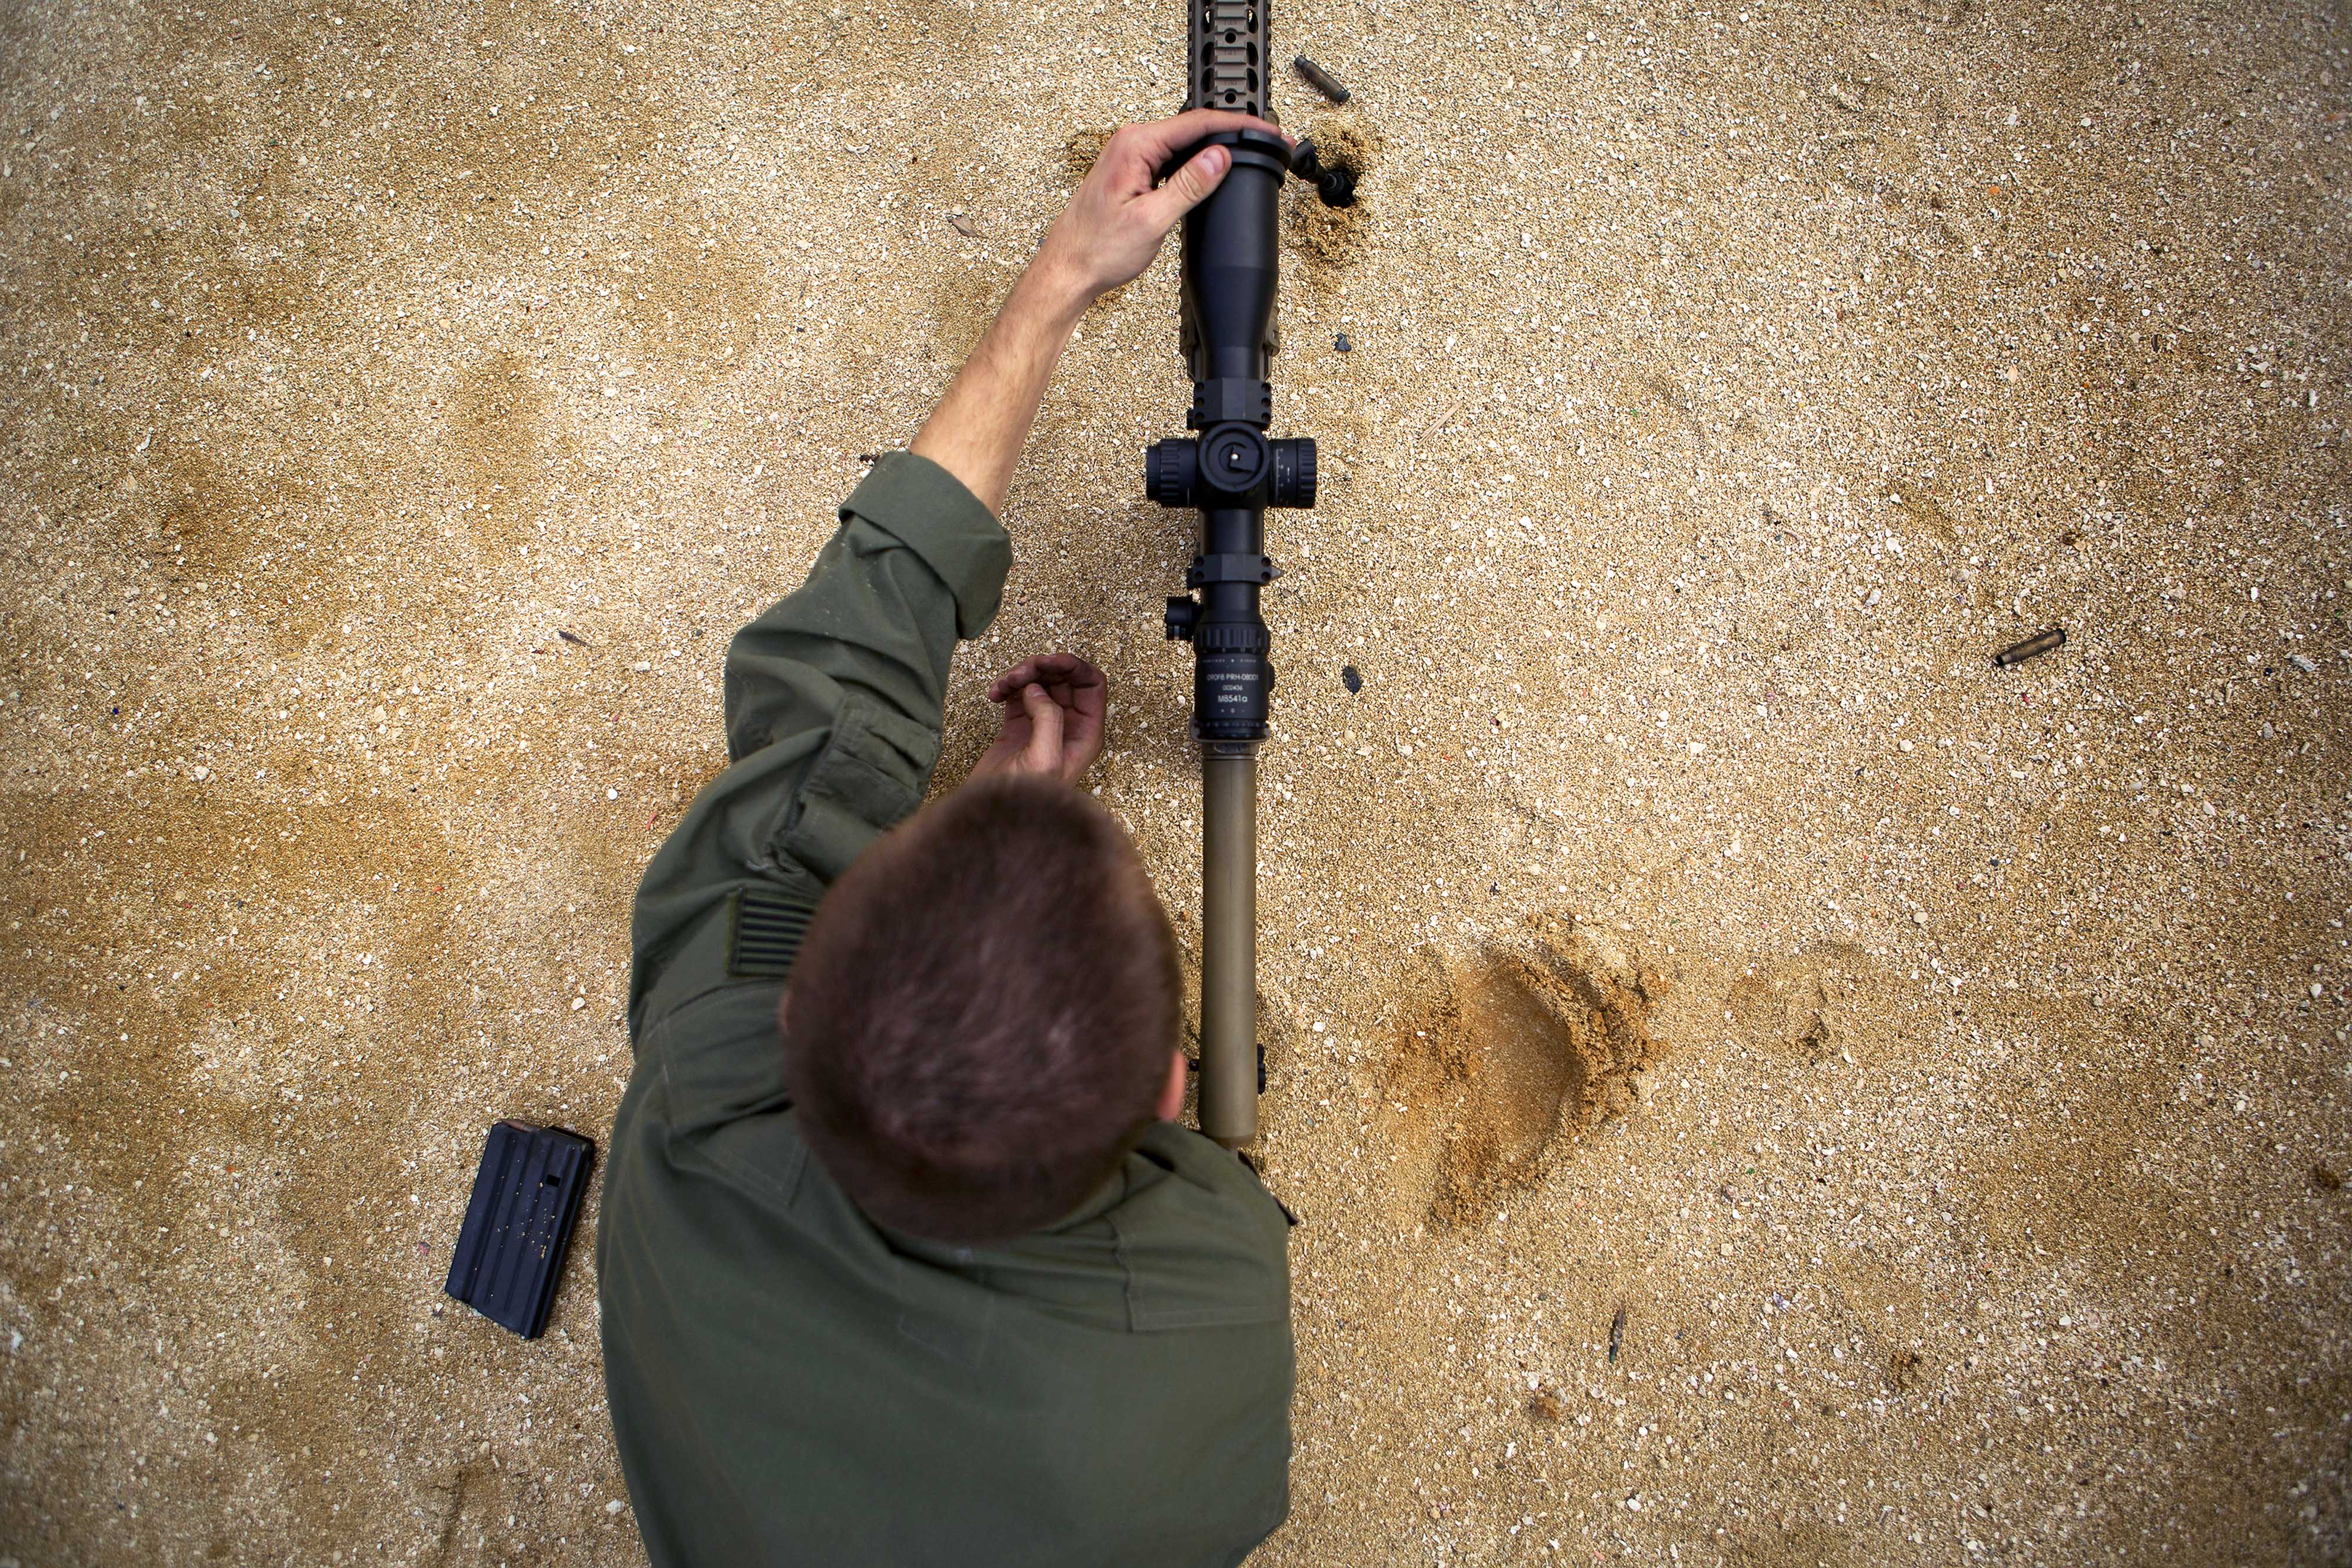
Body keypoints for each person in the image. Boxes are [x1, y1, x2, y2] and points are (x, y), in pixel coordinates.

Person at [596, 108, 1298, 1567]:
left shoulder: (698, 1088)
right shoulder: (1201, 1339)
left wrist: (1057, 280)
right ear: (1169, 1093)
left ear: (801, 1002)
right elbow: (1205, 1204)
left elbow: (845, 671)